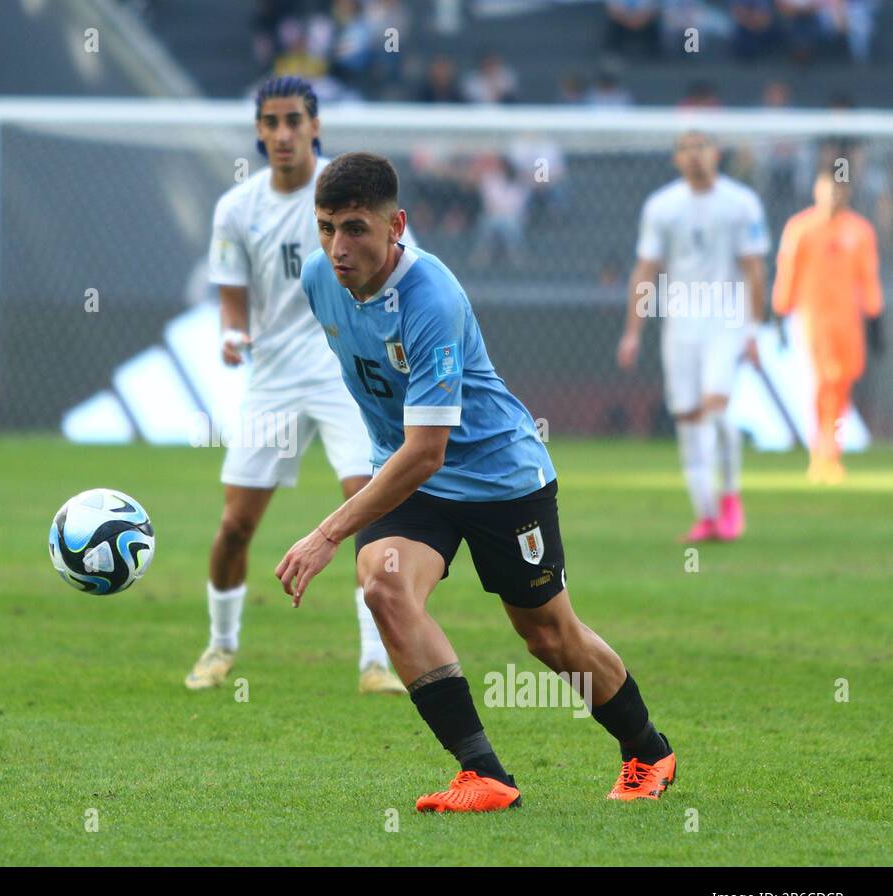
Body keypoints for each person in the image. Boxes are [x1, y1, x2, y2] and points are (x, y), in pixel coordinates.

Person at [277, 152, 676, 812]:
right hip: (411, 482)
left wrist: (326, 532)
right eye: (325, 228)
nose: (338, 247)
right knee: (383, 584)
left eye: (354, 228)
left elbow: (429, 449)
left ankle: (648, 749)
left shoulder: (431, 295)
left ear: (395, 224)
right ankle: (484, 773)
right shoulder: (320, 280)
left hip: (498, 478)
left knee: (550, 637)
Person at [186, 77, 409, 695]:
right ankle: (221, 645)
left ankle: (375, 662)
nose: (282, 133)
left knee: (371, 510)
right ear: (258, 131)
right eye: (271, 122)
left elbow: (399, 273)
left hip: (349, 375)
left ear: (315, 125)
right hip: (275, 380)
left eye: (294, 120)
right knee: (236, 524)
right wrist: (232, 335)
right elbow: (234, 302)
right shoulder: (237, 209)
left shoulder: (348, 195)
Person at [618, 131, 769, 542]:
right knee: (687, 419)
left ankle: (730, 498)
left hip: (726, 320)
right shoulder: (662, 206)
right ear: (676, 159)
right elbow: (645, 269)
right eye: (686, 148)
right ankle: (705, 514)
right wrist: (633, 331)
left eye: (702, 146)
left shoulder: (741, 203)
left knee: (715, 410)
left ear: (716, 153)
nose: (695, 155)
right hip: (680, 324)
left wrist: (754, 329)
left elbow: (754, 268)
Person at [772, 168, 883, 484]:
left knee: (842, 386)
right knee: (822, 385)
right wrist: (780, 312)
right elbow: (787, 273)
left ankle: (831, 450)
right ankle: (821, 453)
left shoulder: (859, 231)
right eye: (828, 188)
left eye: (839, 188)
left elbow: (868, 277)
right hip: (814, 321)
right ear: (816, 190)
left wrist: (875, 318)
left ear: (846, 192)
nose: (834, 195)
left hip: (849, 323)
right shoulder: (802, 229)